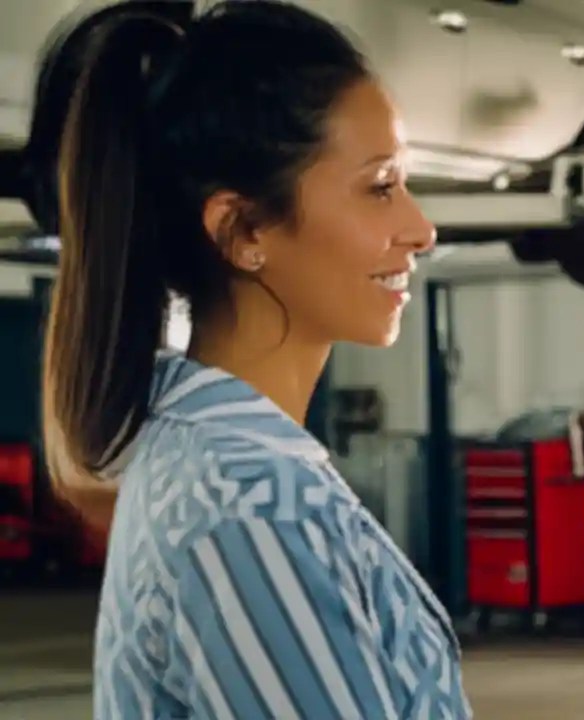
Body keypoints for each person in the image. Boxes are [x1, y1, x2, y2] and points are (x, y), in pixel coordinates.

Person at [31, 1, 470, 717]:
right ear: (242, 231)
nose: (420, 229)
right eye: (380, 186)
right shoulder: (253, 510)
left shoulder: (219, 466)